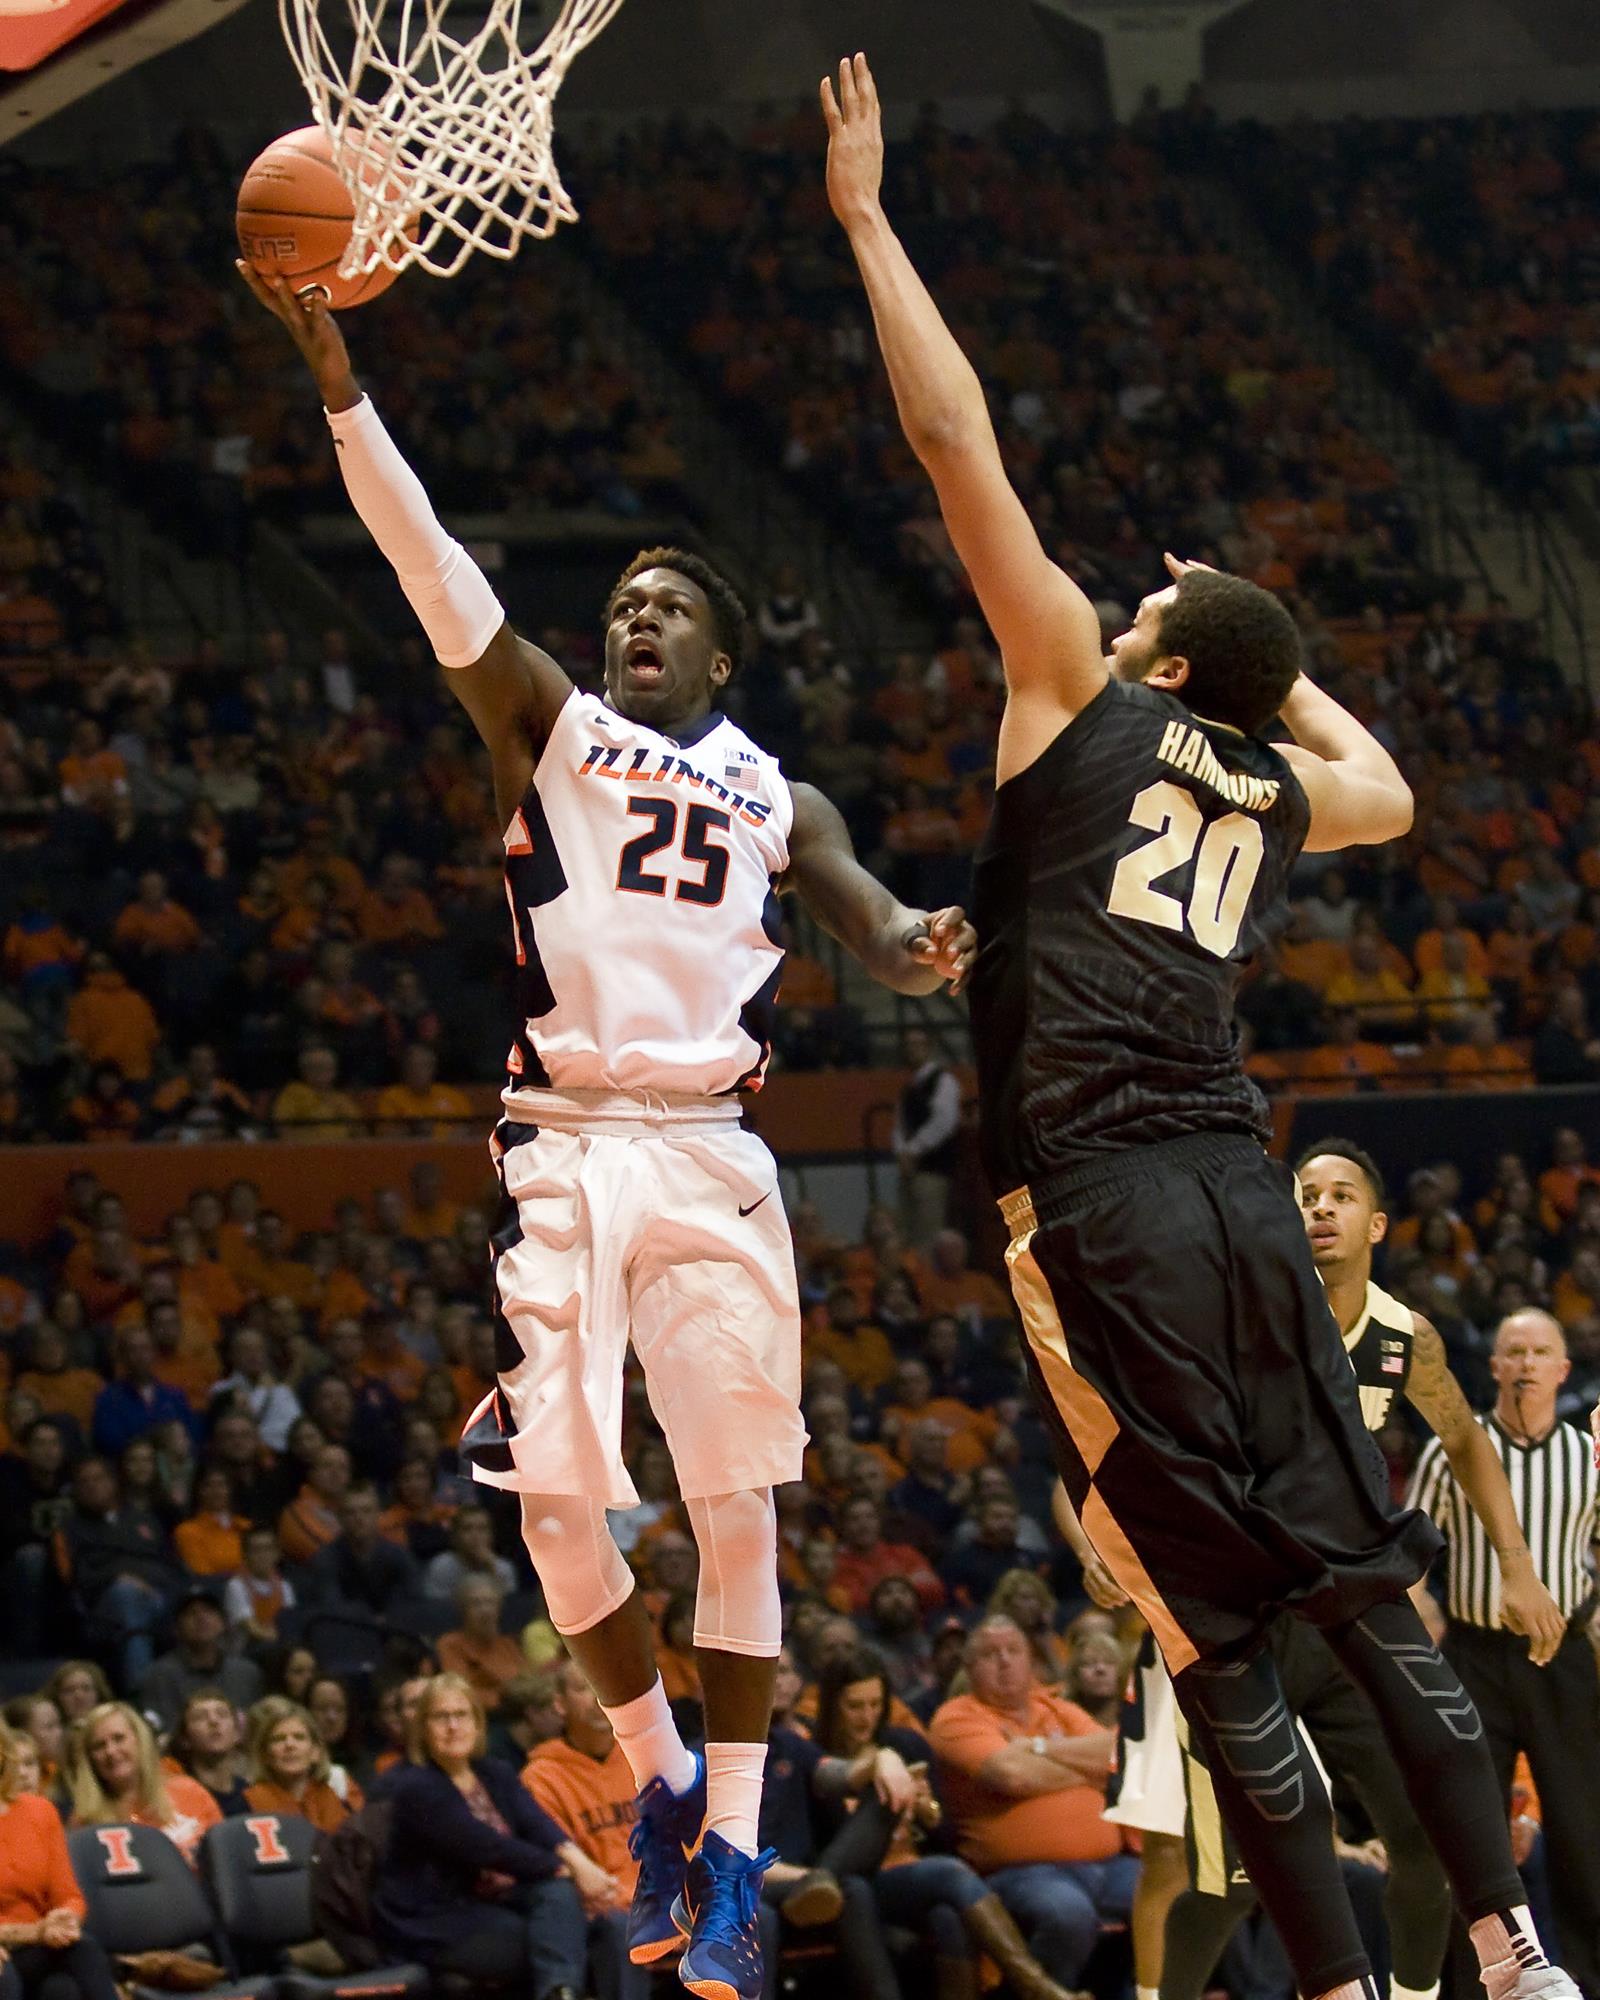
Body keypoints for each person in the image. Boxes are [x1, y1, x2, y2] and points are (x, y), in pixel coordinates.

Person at [823, 51, 1573, 2000]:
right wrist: (1267, 665)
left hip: (1097, 1208)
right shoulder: (1260, 783)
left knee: (1202, 1629)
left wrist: (866, 221)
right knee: (1367, 1589)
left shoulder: (1076, 684)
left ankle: (1333, 1985)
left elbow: (951, 441)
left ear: (1151, 654)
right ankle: (1506, 1946)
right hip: (1234, 1184)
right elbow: (1388, 786)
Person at [240, 251, 975, 2000]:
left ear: (722, 647)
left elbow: (866, 916)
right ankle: (658, 1793)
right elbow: (431, 560)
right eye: (624, 600)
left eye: (668, 606)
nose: (635, 617)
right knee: (562, 1511)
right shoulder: (550, 729)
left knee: (739, 1509)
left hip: (716, 1149)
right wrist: (341, 383)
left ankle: (731, 1849)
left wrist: (924, 943)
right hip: (563, 1140)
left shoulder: (779, 790)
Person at [1159, 1143, 1569, 2000]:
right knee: (1229, 1881)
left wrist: (1517, 1566)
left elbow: (1463, 1438)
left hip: (1338, 1612)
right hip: (1241, 1621)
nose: (1320, 1206)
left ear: (1375, 1224)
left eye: (1342, 1195)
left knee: (1423, 1842)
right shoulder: (1234, 1314)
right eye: (1306, 1193)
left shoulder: (1403, 1336)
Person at [1410, 1312, 1600, 1998]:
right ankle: (1475, 1990)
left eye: (1539, 1350)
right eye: (1511, 1350)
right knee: (1472, 1839)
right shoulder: (1453, 1449)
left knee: (1584, 1831)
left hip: (1566, 1659)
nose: (1525, 1361)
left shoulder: (1588, 1455)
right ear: (1492, 1367)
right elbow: (1409, 1557)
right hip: (1473, 1656)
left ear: (1561, 1369)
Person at [813, 1647, 1074, 2000]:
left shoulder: (904, 1744)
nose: (867, 1717)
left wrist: (926, 1809)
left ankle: (1030, 1986)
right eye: (854, 1706)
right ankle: (1033, 1984)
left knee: (949, 1917)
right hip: (860, 1885)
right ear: (832, 1706)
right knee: (948, 1874)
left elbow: (947, 1835)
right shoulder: (819, 1762)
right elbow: (820, 1850)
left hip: (916, 1876)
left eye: (875, 1704)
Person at [927, 1616, 1131, 1991]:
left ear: (1031, 1661)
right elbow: (1012, 1776)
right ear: (970, 1668)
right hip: (1023, 1872)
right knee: (1068, 1916)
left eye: (1013, 1651)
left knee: (1180, 1896)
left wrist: (1038, 1748)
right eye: (991, 1654)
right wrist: (1087, 1769)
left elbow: (1119, 1754)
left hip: (1107, 1865)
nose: (1004, 1661)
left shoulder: (1055, 1707)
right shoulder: (957, 1716)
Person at [371, 1673, 592, 2000]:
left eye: (461, 1715)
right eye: (440, 1717)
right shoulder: (413, 1786)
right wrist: (567, 1869)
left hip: (499, 1899)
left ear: (477, 1723)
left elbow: (537, 1823)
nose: (452, 1726)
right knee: (548, 1937)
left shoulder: (494, 1771)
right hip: (438, 1916)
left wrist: (579, 1861)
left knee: (574, 1908)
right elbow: (486, 1847)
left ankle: (561, 1993)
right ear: (422, 1728)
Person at [0, 1724, 119, 2000]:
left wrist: (65, 1918)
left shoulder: (39, 1811)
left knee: (79, 1958)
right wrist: (35, 1932)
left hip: (36, 1944)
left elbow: (68, 1896)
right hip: (16, 1946)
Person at [66, 1701, 220, 1866]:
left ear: (140, 1740)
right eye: (99, 1746)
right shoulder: (84, 1821)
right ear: (90, 1760)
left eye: (119, 1738)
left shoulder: (189, 1791)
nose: (110, 1751)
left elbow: (225, 1861)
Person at [136, 1585, 265, 1735]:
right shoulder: (159, 1676)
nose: (201, 1618)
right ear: (176, 1628)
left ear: (223, 1623)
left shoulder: (246, 1673)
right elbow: (163, 1733)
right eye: (191, 1613)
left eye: (209, 1611)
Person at [243, 1696, 362, 1832]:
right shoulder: (247, 1802)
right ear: (265, 1755)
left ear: (315, 1752)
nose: (289, 1745)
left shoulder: (330, 1797)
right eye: (278, 1739)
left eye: (299, 1737)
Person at [891, 1025, 961, 1247]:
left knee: (928, 1234)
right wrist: (902, 1152)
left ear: (929, 1047)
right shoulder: (909, 1087)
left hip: (932, 1169)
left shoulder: (943, 1081)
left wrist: (912, 1150)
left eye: (917, 1044)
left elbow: (944, 1122)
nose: (912, 1050)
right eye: (909, 1045)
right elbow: (899, 1124)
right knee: (906, 1233)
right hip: (909, 1169)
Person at [438, 1575, 527, 1711]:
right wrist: (509, 1697)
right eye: (476, 1603)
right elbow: (461, 1694)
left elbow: (529, 1684)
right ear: (463, 1610)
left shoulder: (507, 1644)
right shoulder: (451, 1645)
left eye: (490, 1602)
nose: (485, 1611)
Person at [169, 1687, 251, 1816]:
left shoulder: (252, 1795)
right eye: (200, 1717)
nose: (214, 1721)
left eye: (222, 1714)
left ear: (237, 1733)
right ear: (185, 1738)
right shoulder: (175, 1795)